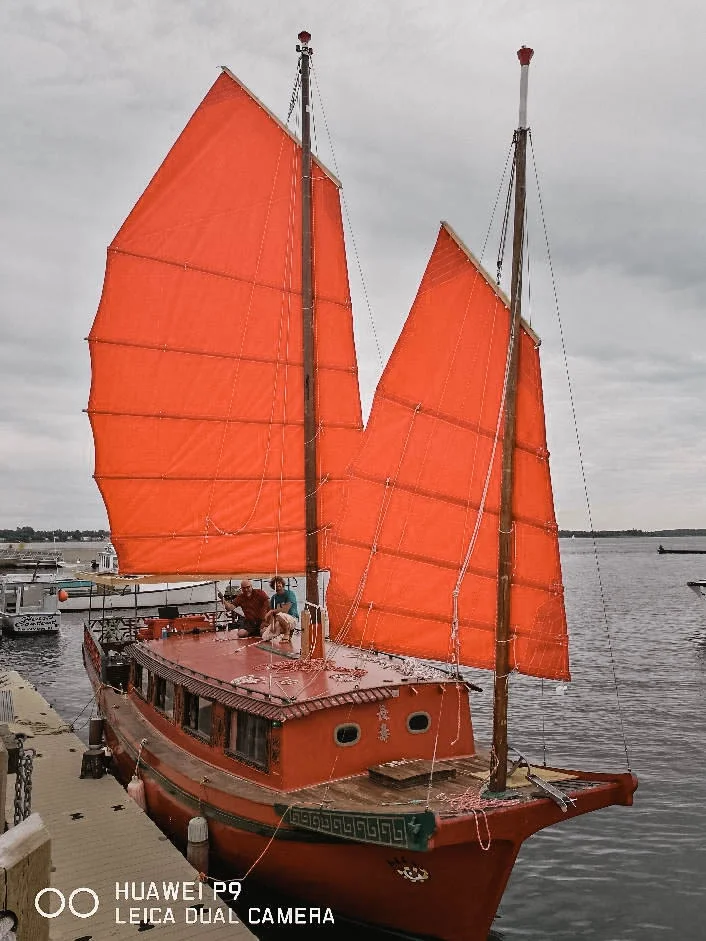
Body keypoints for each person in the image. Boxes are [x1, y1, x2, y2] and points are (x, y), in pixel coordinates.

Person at [261, 576, 298, 644]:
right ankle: (284, 630)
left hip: (292, 619)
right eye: (275, 584)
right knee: (265, 636)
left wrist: (271, 611)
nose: (277, 585)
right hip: (279, 619)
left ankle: (287, 633)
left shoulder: (290, 594)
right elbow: (273, 615)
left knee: (279, 614)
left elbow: (285, 610)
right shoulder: (274, 598)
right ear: (273, 586)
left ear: (282, 584)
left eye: (279, 583)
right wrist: (272, 625)